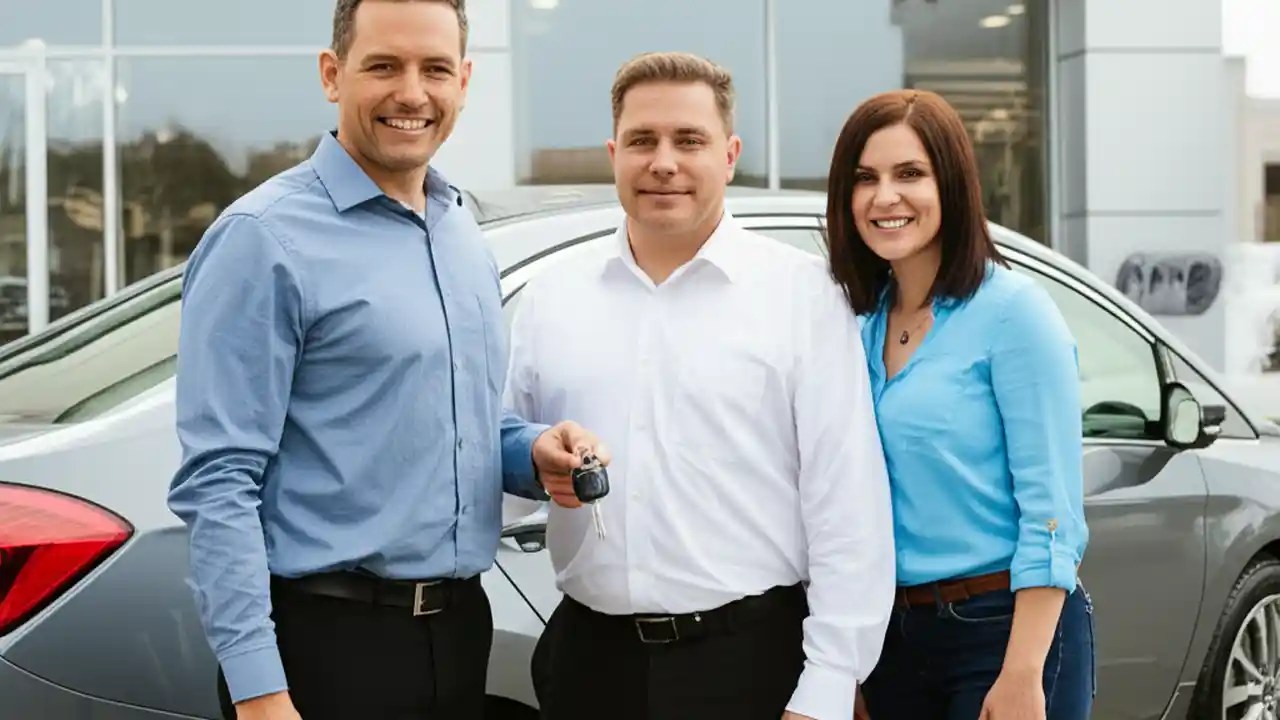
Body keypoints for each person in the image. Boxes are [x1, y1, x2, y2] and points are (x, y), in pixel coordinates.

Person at [166, 1, 606, 718]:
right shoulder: (263, 238)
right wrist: (260, 692)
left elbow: (450, 422)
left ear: (464, 81)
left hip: (459, 633)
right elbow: (219, 480)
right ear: (331, 74)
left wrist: (531, 453)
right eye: (384, 66)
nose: (412, 93)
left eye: (435, 69)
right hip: (324, 652)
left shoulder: (457, 227)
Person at [504, 51, 896, 720]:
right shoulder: (552, 299)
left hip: (750, 664)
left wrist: (829, 682)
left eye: (689, 140)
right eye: (642, 141)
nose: (664, 162)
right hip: (587, 665)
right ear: (614, 154)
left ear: (730, 155)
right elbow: (506, 472)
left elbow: (846, 504)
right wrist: (537, 460)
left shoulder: (802, 296)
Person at [823, 88, 1095, 719]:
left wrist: (1023, 671)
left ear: (952, 185)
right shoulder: (854, 325)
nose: (885, 197)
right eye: (865, 178)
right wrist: (844, 660)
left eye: (909, 174)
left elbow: (1052, 513)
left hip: (1003, 631)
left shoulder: (1014, 315)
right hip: (889, 640)